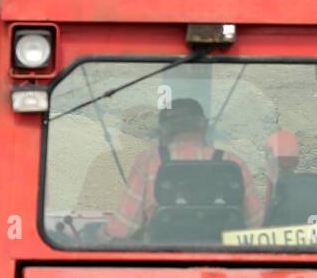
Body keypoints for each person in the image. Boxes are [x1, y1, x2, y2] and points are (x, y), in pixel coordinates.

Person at [98, 98, 261, 241]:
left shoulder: (149, 161)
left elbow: (122, 229)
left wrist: (98, 234)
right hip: (222, 265)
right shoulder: (233, 162)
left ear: (163, 132)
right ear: (203, 128)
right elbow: (258, 225)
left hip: (163, 264)